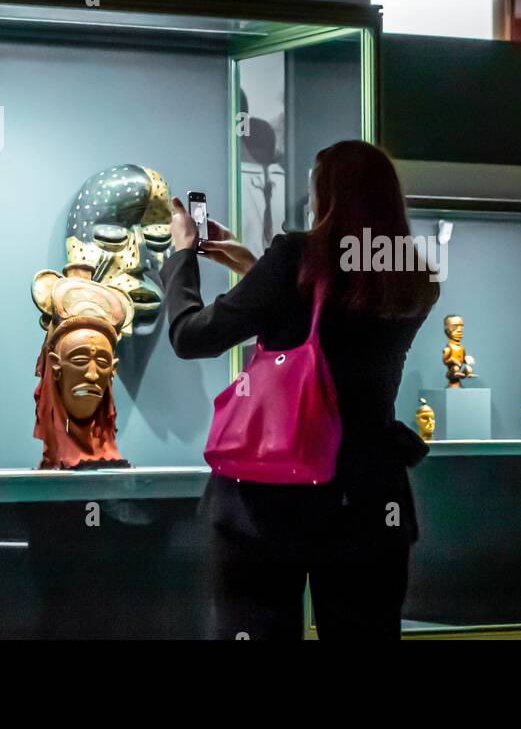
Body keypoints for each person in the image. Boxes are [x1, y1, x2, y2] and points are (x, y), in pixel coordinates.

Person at [161, 140, 440, 640]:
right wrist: (255, 270)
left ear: (327, 197)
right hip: (369, 493)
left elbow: (191, 336)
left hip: (273, 492)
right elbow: (342, 317)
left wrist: (182, 259)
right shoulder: (413, 276)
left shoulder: (293, 256)